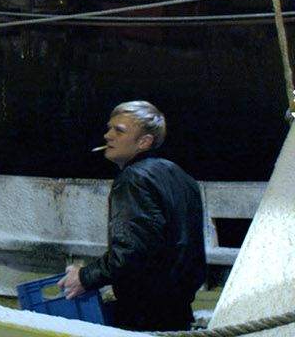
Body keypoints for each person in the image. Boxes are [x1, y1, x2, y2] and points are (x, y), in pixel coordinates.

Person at [60, 100, 206, 332]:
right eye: (109, 128)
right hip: (178, 310)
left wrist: (85, 276)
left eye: (119, 131)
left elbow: (133, 250)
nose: (108, 135)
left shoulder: (133, 178)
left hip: (143, 315)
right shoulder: (182, 177)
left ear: (144, 142)